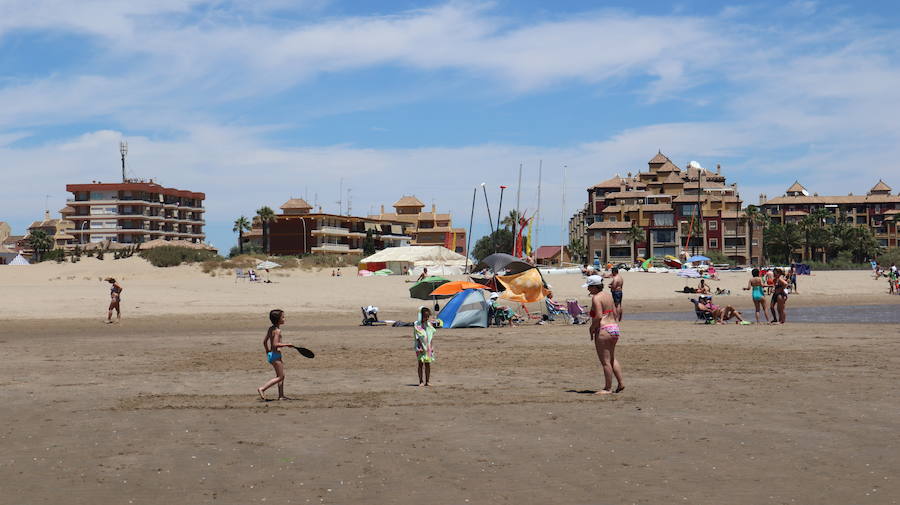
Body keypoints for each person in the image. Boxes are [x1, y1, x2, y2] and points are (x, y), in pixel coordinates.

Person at [585, 275, 624, 395]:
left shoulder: (596, 298)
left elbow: (598, 316)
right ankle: (621, 383)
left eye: (589, 287)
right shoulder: (609, 295)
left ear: (595, 287)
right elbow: (616, 312)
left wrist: (591, 328)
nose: (588, 289)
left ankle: (608, 388)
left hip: (604, 330)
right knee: (611, 358)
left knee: (605, 361)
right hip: (614, 328)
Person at [257, 309, 295, 400]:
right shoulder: (277, 331)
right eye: (283, 317)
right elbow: (275, 344)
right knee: (281, 376)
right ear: (278, 319)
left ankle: (281, 396)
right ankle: (262, 388)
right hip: (276, 356)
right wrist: (287, 344)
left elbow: (264, 342)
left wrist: (267, 351)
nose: (284, 319)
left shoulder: (271, 328)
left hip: (272, 355)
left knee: (280, 376)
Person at [414, 306, 436, 386]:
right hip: (420, 347)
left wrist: (432, 347)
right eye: (425, 316)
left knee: (427, 364)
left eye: (427, 317)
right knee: (420, 364)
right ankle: (421, 381)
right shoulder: (417, 325)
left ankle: (427, 381)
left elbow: (431, 336)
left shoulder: (429, 325)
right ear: (421, 316)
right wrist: (419, 347)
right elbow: (417, 337)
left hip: (428, 347)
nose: (426, 318)